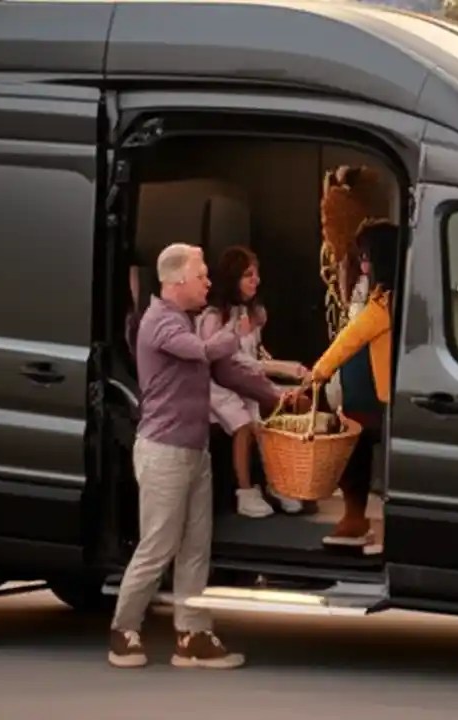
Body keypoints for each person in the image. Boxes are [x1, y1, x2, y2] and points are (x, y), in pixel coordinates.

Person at [108, 242, 300, 670]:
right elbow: (206, 353)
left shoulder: (188, 321)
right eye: (202, 275)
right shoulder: (160, 323)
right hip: (164, 452)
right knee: (158, 546)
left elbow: (225, 369)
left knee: (196, 549)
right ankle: (124, 629)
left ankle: (191, 635)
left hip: (194, 452)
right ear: (177, 281)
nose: (209, 282)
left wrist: (276, 398)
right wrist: (240, 328)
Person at [198, 246, 314, 518]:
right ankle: (246, 491)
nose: (256, 280)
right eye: (248, 275)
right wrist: (287, 370)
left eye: (256, 274)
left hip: (242, 383)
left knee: (265, 417)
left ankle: (278, 482)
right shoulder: (214, 318)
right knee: (244, 424)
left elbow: (254, 357)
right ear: (232, 279)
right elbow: (226, 363)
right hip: (216, 386)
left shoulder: (250, 314)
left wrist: (283, 369)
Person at [309, 220, 397, 551]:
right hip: (365, 391)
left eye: (367, 257)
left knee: (363, 458)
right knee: (359, 454)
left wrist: (317, 372)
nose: (362, 264)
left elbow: (351, 338)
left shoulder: (383, 301)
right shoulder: (376, 293)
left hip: (374, 392)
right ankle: (356, 520)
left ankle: (360, 521)